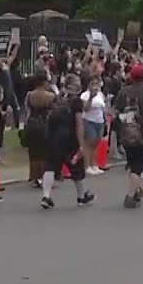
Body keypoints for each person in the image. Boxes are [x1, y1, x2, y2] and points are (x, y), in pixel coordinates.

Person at [40, 74, 95, 209]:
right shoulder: (75, 101)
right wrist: (81, 145)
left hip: (52, 137)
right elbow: (79, 123)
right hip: (68, 138)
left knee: (51, 165)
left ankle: (46, 196)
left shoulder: (57, 98)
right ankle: (81, 196)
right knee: (77, 167)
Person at [114, 64, 143, 209]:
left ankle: (138, 190)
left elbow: (116, 112)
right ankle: (131, 195)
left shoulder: (123, 92)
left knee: (132, 163)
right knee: (138, 167)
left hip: (126, 133)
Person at [24, 69, 56, 187]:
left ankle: (34, 177)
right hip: (45, 125)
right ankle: (44, 177)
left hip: (32, 125)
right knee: (45, 152)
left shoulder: (30, 95)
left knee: (33, 153)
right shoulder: (50, 96)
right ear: (44, 82)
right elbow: (54, 110)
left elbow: (27, 111)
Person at [80, 76, 107, 175]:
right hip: (89, 121)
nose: (95, 86)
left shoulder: (100, 94)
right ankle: (87, 166)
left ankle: (94, 164)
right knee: (89, 143)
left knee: (96, 144)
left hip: (99, 121)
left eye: (96, 84)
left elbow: (103, 108)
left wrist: (105, 120)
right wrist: (91, 97)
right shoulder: (84, 95)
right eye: (92, 84)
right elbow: (85, 108)